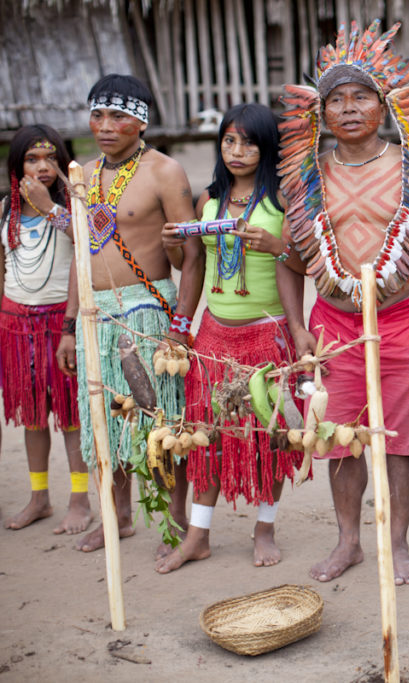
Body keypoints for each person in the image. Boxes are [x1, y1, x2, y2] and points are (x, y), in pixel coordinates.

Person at [277, 20, 409, 585]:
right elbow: (289, 260)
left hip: (403, 322)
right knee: (338, 440)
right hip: (332, 325)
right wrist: (297, 330)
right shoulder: (307, 179)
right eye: (337, 99)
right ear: (321, 113)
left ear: (385, 106)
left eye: (362, 97)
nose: (349, 108)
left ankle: (397, 542)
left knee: (401, 441)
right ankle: (348, 541)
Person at [55, 74, 201, 552]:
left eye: (118, 115)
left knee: (160, 421)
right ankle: (118, 516)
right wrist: (70, 326)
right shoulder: (83, 174)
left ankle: (174, 516)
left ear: (141, 121)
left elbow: (192, 254)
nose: (105, 125)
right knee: (106, 423)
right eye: (97, 114)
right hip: (95, 315)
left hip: (146, 309)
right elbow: (83, 256)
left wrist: (179, 327)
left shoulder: (165, 172)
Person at [155, 103, 301, 573]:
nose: (237, 151)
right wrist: (181, 324)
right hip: (215, 336)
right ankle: (198, 535)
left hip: (267, 335)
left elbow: (304, 263)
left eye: (250, 142)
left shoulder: (285, 201)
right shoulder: (209, 201)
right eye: (229, 141)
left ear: (268, 147)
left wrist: (279, 247)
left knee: (268, 435)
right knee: (207, 435)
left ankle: (265, 528)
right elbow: (193, 265)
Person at [1, 125, 89, 534]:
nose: (43, 167)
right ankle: (39, 497)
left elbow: (90, 243)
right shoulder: (6, 210)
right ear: (16, 166)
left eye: (51, 158)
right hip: (16, 325)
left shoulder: (73, 207)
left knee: (71, 414)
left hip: (60, 322)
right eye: (32, 159)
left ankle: (79, 497)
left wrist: (50, 206)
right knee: (33, 416)